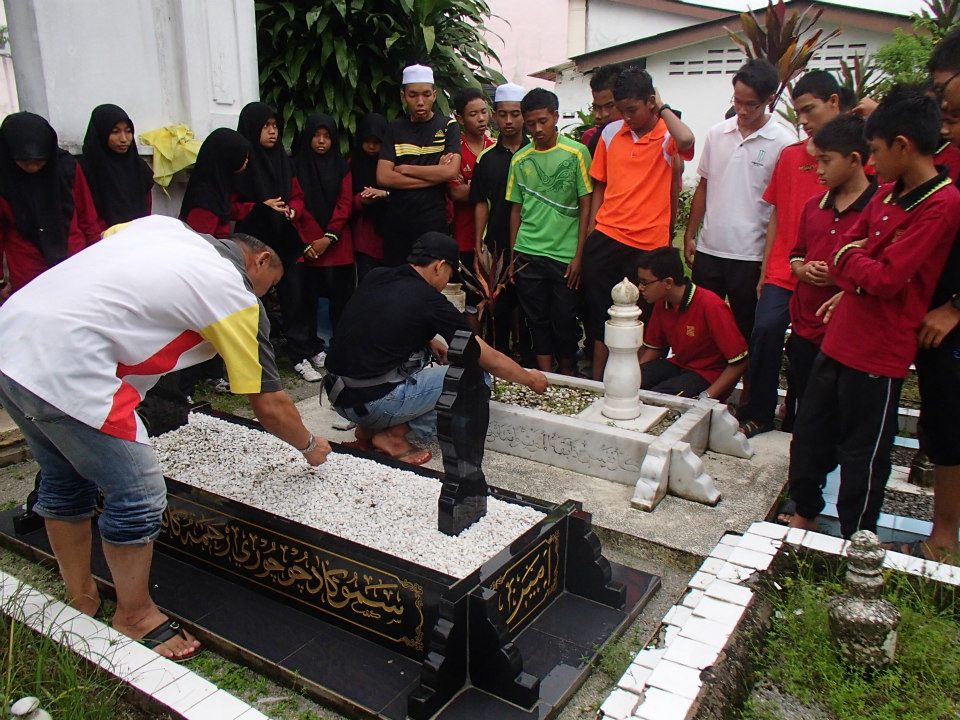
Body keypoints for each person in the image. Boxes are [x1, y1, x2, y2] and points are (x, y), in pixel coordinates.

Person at [0, 215, 331, 660]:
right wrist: (311, 446)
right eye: (273, 281)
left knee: (64, 475)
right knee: (138, 493)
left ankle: (81, 596)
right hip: (70, 366)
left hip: (12, 338)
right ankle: (135, 615)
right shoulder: (233, 293)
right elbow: (270, 405)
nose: (269, 292)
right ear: (262, 258)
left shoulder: (161, 227)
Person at [788, 87, 960, 539]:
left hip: (880, 349)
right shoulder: (886, 193)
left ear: (902, 145)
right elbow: (860, 253)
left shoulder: (941, 203)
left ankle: (855, 538)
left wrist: (851, 261)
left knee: (863, 453)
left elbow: (886, 278)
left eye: (877, 152)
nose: (872, 163)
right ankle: (804, 508)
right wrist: (857, 266)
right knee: (810, 434)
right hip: (841, 334)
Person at [323, 232, 546, 464]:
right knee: (477, 379)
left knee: (421, 357)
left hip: (339, 395)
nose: (447, 282)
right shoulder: (430, 301)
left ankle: (367, 432)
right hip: (374, 404)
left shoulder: (378, 275)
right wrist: (530, 379)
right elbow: (486, 357)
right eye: (450, 275)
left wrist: (428, 340)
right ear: (440, 266)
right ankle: (393, 436)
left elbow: (375, 322)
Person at [737, 71, 847, 437]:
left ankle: (802, 416)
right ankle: (759, 411)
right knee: (766, 330)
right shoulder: (790, 156)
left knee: (808, 347)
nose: (803, 120)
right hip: (786, 268)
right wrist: (767, 269)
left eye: (810, 110)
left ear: (834, 102)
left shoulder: (857, 158)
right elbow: (777, 215)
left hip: (829, 275)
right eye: (798, 112)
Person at [583, 66, 695, 381]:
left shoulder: (667, 136)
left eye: (631, 110)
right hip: (606, 238)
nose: (625, 117)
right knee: (600, 317)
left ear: (650, 101)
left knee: (640, 319)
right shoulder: (609, 133)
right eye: (621, 110)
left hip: (648, 245)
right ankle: (597, 381)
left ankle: (630, 381)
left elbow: (687, 138)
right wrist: (593, 230)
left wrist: (663, 108)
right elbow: (600, 186)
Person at [898, 29, 960, 561]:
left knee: (950, 420)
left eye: (947, 95)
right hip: (931, 310)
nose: (942, 109)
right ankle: (944, 532)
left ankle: (943, 540)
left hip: (950, 315)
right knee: (942, 418)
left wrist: (955, 305)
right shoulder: (949, 152)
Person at [683, 59, 795, 348]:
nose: (743, 111)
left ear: (770, 99)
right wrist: (690, 233)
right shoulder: (717, 133)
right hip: (710, 248)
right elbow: (704, 185)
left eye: (751, 105)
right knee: (702, 322)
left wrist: (769, 263)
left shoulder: (783, 142)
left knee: (746, 326)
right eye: (738, 101)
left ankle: (743, 388)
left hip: (751, 254)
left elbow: (782, 207)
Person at [785, 115, 876, 432]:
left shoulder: (878, 208)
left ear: (854, 160)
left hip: (847, 330)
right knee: (806, 404)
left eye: (826, 161)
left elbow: (883, 270)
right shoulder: (814, 206)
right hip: (805, 320)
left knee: (840, 413)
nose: (818, 169)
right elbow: (796, 253)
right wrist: (803, 269)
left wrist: (838, 279)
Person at [507, 88, 593, 376]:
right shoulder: (520, 159)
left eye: (543, 121)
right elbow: (516, 210)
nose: (537, 129)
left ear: (555, 116)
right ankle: (545, 376)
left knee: (565, 317)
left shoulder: (576, 153)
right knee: (536, 318)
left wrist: (579, 255)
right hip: (528, 251)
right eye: (530, 124)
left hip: (565, 254)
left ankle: (567, 373)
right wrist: (513, 258)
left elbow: (586, 205)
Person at [0, 112, 100, 301]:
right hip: (28, 267)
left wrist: (98, 253)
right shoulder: (4, 176)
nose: (33, 168)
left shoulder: (66, 167)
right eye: (24, 161)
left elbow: (87, 214)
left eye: (40, 161)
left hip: (74, 259)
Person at [290, 113, 354, 381]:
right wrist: (311, 240)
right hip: (308, 246)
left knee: (341, 301)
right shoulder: (296, 166)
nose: (321, 141)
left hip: (335, 245)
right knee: (305, 302)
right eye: (316, 135)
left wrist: (328, 237)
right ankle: (308, 349)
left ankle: (340, 351)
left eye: (327, 136)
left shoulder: (342, 167)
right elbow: (297, 202)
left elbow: (345, 202)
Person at [377, 64, 461, 265]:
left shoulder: (448, 127)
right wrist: (434, 175)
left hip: (433, 222)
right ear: (403, 95)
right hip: (398, 223)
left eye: (425, 94)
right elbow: (383, 177)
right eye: (413, 95)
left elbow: (451, 171)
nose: (420, 101)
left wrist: (406, 169)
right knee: (398, 284)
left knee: (431, 281)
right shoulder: (395, 128)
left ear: (434, 94)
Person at [637, 247, 747, 399]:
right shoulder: (662, 302)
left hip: (708, 374)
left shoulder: (710, 305)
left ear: (668, 282)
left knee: (660, 397)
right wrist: (633, 374)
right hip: (680, 364)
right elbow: (654, 348)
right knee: (634, 382)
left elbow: (739, 361)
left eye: (645, 283)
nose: (640, 288)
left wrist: (707, 395)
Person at [471, 82, 530, 354]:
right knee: (499, 307)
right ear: (495, 116)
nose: (509, 120)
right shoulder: (486, 158)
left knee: (531, 307)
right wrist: (477, 247)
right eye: (503, 114)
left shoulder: (536, 153)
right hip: (496, 243)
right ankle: (500, 358)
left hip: (532, 243)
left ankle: (531, 359)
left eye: (515, 114)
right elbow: (481, 203)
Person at [233, 102, 306, 266]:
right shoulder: (242, 164)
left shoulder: (284, 161)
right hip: (252, 243)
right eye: (266, 126)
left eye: (275, 126)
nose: (272, 131)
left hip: (285, 239)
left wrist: (293, 210)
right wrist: (261, 207)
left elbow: (298, 195)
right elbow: (229, 206)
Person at [79, 104, 154, 232]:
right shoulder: (87, 170)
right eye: (115, 132)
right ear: (101, 133)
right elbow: (86, 215)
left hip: (141, 236)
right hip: (105, 241)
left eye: (128, 131)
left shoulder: (139, 168)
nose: (124, 139)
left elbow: (147, 209)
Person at [179, 128, 251, 238]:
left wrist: (258, 208)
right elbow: (201, 243)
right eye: (242, 156)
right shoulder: (205, 202)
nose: (246, 160)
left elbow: (228, 208)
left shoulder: (217, 187)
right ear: (228, 157)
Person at [350, 112, 389, 282]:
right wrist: (361, 200)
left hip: (391, 234)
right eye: (368, 142)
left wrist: (385, 195)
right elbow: (344, 199)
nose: (372, 147)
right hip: (364, 236)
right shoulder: (353, 163)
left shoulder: (391, 163)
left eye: (377, 142)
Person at [581, 65, 622, 157]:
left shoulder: (646, 134)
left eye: (609, 106)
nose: (599, 115)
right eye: (596, 108)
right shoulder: (590, 137)